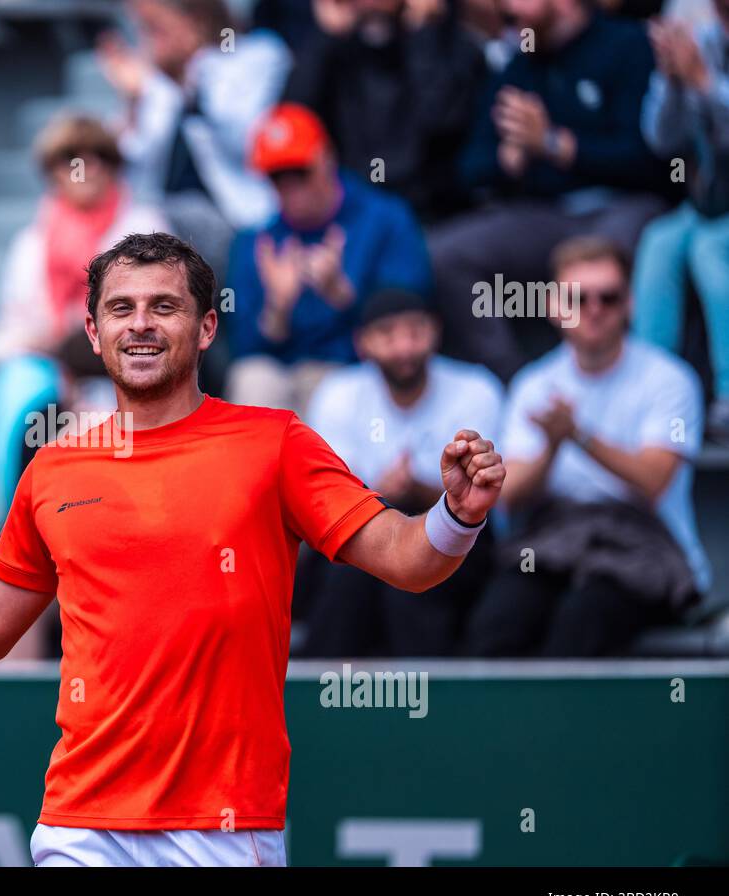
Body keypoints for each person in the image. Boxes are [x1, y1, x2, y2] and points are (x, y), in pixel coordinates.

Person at [0, 232, 506, 867]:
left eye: (164, 307)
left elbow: (408, 560)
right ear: (94, 330)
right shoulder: (54, 467)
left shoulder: (275, 443)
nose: (141, 324)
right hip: (83, 823)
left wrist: (455, 516)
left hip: (228, 829)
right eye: (122, 309)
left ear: (206, 328)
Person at [466, 236, 708, 657]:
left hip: (645, 545)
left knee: (582, 623)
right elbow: (510, 496)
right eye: (578, 298)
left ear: (629, 304)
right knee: (497, 623)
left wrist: (578, 435)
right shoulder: (534, 383)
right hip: (554, 538)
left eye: (608, 297)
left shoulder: (670, 379)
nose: (593, 309)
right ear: (553, 307)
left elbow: (654, 482)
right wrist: (552, 446)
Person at [429, 0, 671, 381]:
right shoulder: (520, 63)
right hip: (543, 214)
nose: (509, 16)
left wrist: (556, 145)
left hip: (623, 204)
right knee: (447, 254)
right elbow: (470, 168)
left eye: (515, 8)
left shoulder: (627, 44)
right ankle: (522, 384)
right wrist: (508, 159)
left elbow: (654, 161)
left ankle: (619, 383)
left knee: (596, 267)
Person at [0, 113, 169, 523]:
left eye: (96, 157)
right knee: (18, 386)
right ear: (53, 172)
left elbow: (154, 318)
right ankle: (12, 529)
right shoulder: (32, 241)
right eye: (70, 158)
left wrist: (66, 343)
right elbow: (18, 319)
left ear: (113, 166)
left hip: (126, 366)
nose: (83, 169)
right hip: (55, 369)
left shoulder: (145, 227)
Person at [302, 289, 503, 656]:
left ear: (436, 331)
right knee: (350, 575)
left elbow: (481, 497)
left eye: (415, 331)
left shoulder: (476, 388)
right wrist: (384, 491)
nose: (404, 348)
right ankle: (320, 699)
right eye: (388, 334)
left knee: (417, 582)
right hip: (359, 532)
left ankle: (429, 702)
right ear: (363, 343)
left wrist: (423, 491)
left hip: (456, 535)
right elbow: (328, 501)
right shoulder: (338, 393)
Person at [225, 103, 432, 417]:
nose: (289, 186)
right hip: (281, 372)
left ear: (326, 159)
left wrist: (344, 295)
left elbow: (412, 312)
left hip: (352, 371)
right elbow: (244, 347)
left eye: (299, 172)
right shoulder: (257, 240)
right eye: (277, 176)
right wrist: (277, 309)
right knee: (252, 380)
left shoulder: (384, 219)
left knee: (331, 391)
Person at [98, 0, 291, 271]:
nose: (147, 43)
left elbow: (246, 141)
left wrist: (191, 76)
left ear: (193, 20)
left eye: (154, 29)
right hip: (169, 218)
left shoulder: (257, 55)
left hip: (238, 218)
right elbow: (134, 159)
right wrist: (133, 101)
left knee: (141, 236)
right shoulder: (160, 83)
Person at [282, 0, 487, 222]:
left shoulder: (450, 46)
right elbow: (292, 124)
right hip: (352, 213)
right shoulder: (339, 49)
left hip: (431, 214)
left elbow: (440, 122)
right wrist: (324, 35)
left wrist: (423, 30)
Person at [631, 4, 729, 443]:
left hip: (717, 220)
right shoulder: (698, 37)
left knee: (709, 249)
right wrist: (671, 79)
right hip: (710, 204)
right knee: (659, 242)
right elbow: (660, 139)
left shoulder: (703, 61)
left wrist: (704, 84)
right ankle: (651, 394)